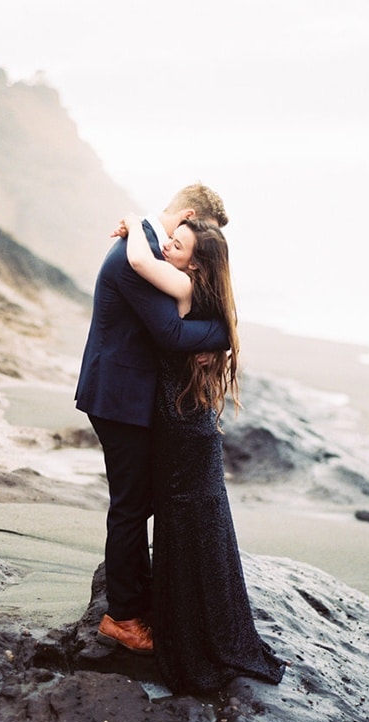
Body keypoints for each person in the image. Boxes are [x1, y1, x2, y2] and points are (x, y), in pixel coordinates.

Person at [116, 212, 287, 693]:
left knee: (182, 521)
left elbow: (135, 257)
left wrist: (133, 220)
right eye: (170, 241)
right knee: (204, 520)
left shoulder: (181, 286)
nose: (166, 247)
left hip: (179, 424)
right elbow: (225, 322)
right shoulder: (211, 301)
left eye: (178, 245)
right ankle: (216, 625)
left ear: (196, 267)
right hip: (194, 424)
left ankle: (189, 636)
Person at [75, 184, 230, 655]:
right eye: (198, 236)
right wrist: (224, 331)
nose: (195, 252)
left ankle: (135, 600)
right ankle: (120, 617)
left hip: (124, 394)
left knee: (138, 500)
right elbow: (168, 331)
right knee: (129, 504)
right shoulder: (136, 253)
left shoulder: (144, 242)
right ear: (187, 216)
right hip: (118, 397)